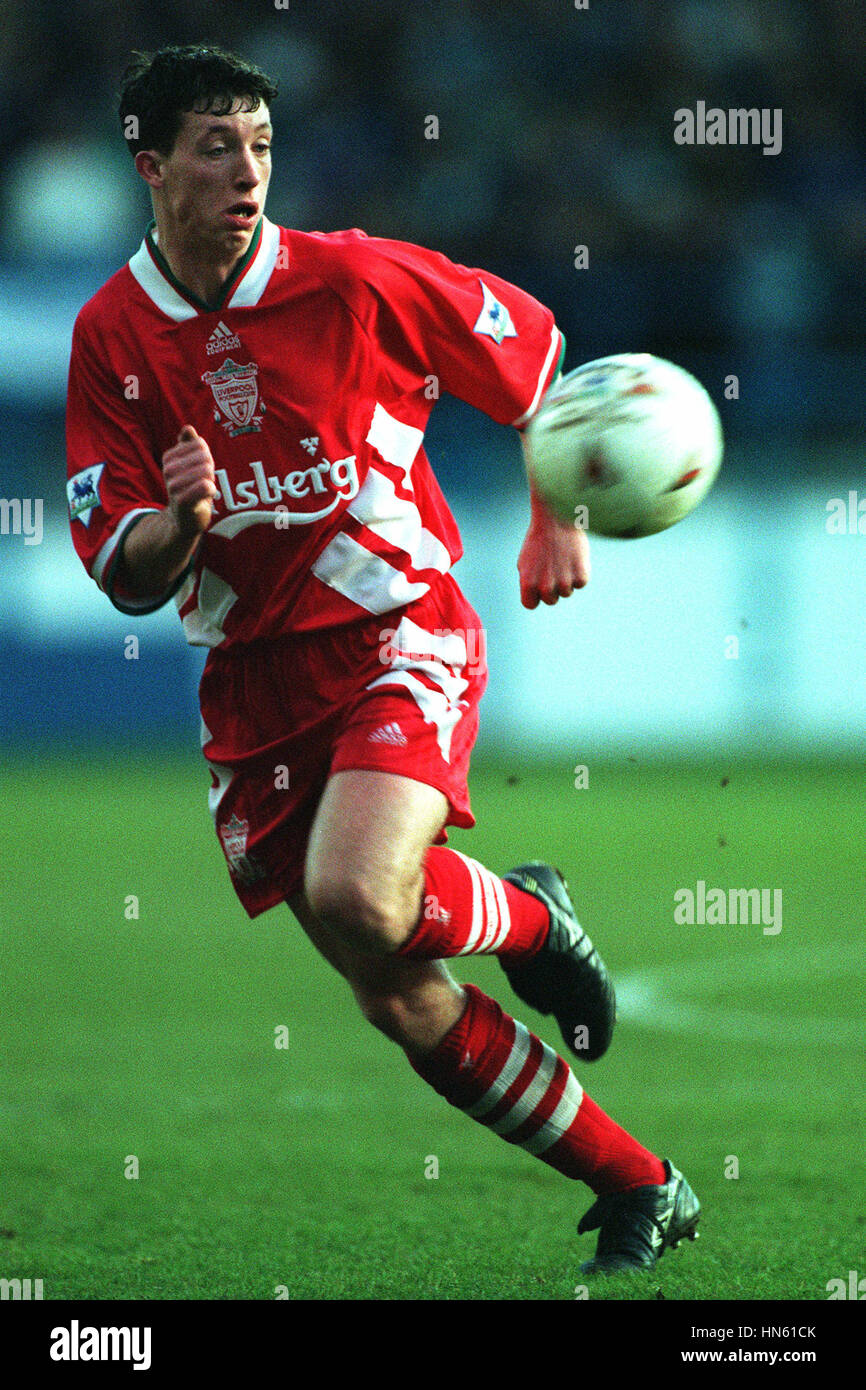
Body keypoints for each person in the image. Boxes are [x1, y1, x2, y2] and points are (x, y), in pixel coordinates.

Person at [66, 44, 699, 1275]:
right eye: (213, 144)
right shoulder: (112, 337)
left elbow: (528, 354)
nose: (245, 167)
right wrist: (182, 523)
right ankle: (645, 1185)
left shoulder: (353, 275)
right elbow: (122, 564)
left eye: (258, 142)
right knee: (393, 988)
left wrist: (553, 508)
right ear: (150, 166)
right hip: (252, 683)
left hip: (396, 630)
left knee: (365, 897)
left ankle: (526, 921)